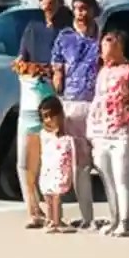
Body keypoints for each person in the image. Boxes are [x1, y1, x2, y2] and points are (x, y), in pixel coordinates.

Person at [11, 0, 71, 228]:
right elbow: (20, 60)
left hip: (52, 100)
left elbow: (67, 66)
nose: (47, 4)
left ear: (59, 3)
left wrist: (51, 72)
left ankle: (55, 214)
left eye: (52, 0)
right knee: (25, 161)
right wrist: (25, 68)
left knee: (52, 160)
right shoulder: (32, 29)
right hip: (29, 99)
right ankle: (33, 211)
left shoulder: (66, 32)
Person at [87, 29, 129, 237]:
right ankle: (114, 219)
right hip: (101, 132)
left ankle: (125, 221)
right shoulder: (102, 70)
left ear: (118, 45)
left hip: (123, 132)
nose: (102, 47)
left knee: (123, 177)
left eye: (107, 42)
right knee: (107, 177)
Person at [50, 0, 103, 230]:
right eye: (77, 8)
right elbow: (56, 68)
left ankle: (116, 214)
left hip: (97, 105)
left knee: (101, 160)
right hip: (71, 104)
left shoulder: (103, 37)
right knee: (78, 164)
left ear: (93, 10)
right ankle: (86, 215)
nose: (81, 13)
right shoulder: (64, 37)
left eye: (84, 8)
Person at [37, 95, 76, 234]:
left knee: (57, 195)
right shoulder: (44, 134)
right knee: (48, 195)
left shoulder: (65, 133)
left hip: (59, 168)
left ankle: (57, 219)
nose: (48, 120)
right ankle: (52, 220)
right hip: (48, 168)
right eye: (45, 117)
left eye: (51, 116)